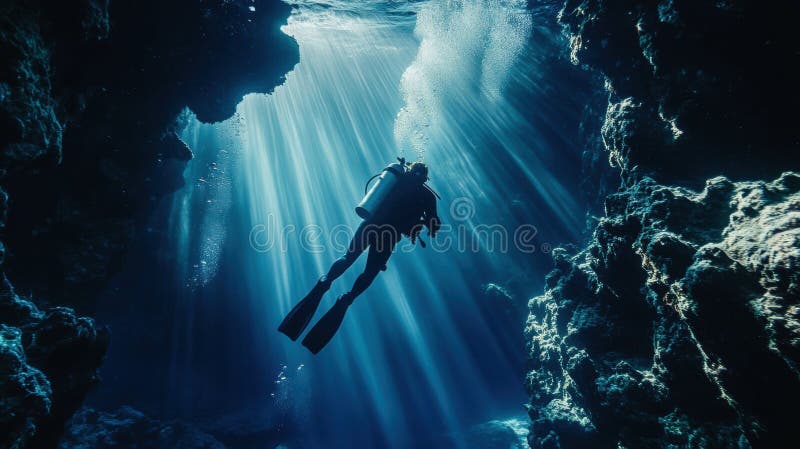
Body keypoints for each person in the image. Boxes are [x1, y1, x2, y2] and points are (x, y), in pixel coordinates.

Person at [278, 161, 441, 354]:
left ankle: (324, 283)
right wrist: (426, 223)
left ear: (410, 169)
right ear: (425, 177)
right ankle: (347, 298)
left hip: (371, 224)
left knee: (348, 258)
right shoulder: (428, 196)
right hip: (389, 236)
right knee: (369, 274)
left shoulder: (397, 179)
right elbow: (434, 224)